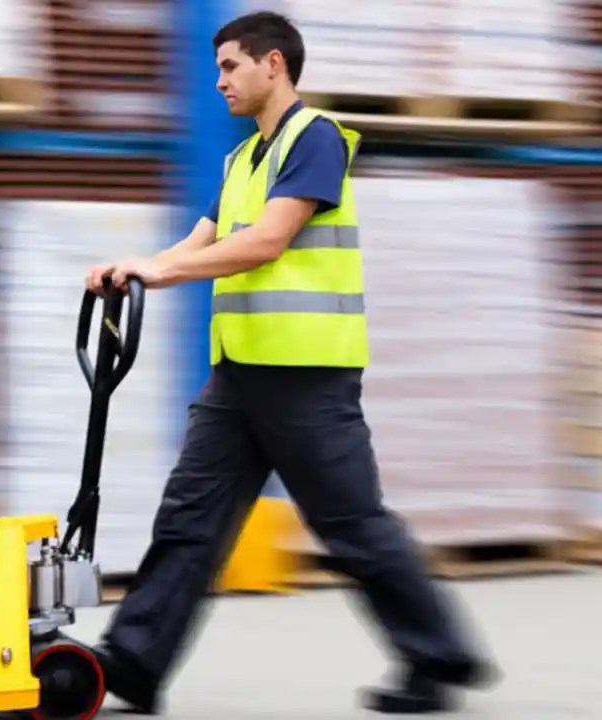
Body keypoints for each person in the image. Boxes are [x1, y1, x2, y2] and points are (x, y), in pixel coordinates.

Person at [82, 11, 499, 716]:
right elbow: (203, 238)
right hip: (240, 376)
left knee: (352, 525)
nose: (219, 82)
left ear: (273, 64)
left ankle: (440, 657)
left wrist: (161, 276)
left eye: (230, 67)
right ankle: (135, 661)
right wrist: (135, 267)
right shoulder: (242, 159)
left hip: (306, 377)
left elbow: (269, 242)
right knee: (189, 519)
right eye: (216, 70)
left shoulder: (317, 139)